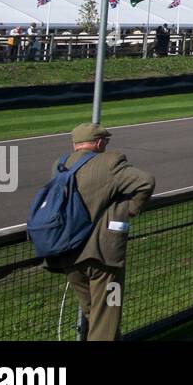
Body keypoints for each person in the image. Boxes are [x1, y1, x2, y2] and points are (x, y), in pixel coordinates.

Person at [45, 123, 155, 341]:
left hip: (67, 254)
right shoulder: (109, 162)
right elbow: (145, 182)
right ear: (98, 143)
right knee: (107, 314)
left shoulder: (59, 165)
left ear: (75, 144)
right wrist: (129, 209)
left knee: (93, 312)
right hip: (103, 257)